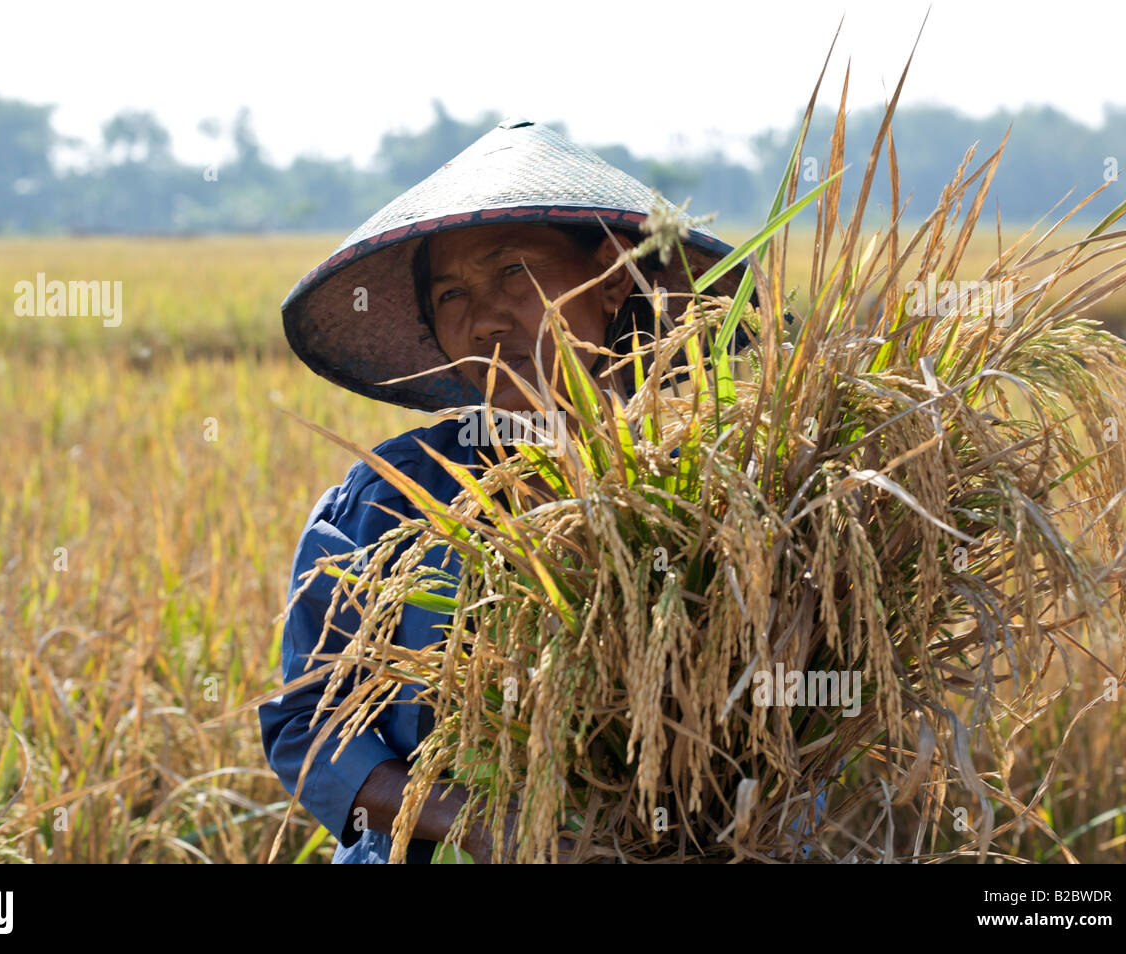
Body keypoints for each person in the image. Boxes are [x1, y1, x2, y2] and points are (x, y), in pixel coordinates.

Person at [258, 116, 754, 863]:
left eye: (513, 274)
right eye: (451, 294)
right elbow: (309, 733)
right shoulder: (384, 504)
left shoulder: (721, 492)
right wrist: (482, 823)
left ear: (614, 276)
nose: (484, 318)